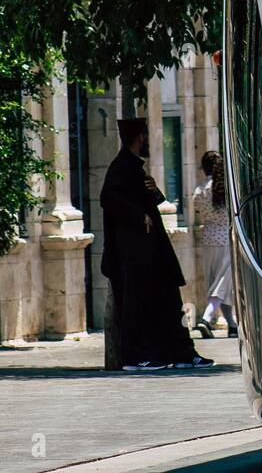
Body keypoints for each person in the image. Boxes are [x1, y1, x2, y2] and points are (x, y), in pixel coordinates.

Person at [100, 118, 215, 371]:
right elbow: (109, 198)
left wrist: (153, 190)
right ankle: (137, 357)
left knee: (169, 302)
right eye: (146, 135)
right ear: (139, 137)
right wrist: (137, 216)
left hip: (152, 254)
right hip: (133, 255)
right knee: (136, 305)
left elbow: (146, 199)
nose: (149, 140)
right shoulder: (121, 167)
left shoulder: (135, 168)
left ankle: (182, 352)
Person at [193, 150, 237, 339]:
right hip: (225, 240)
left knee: (218, 283)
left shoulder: (200, 190)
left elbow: (197, 211)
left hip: (208, 238)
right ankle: (206, 318)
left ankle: (232, 324)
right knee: (222, 284)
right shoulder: (225, 189)